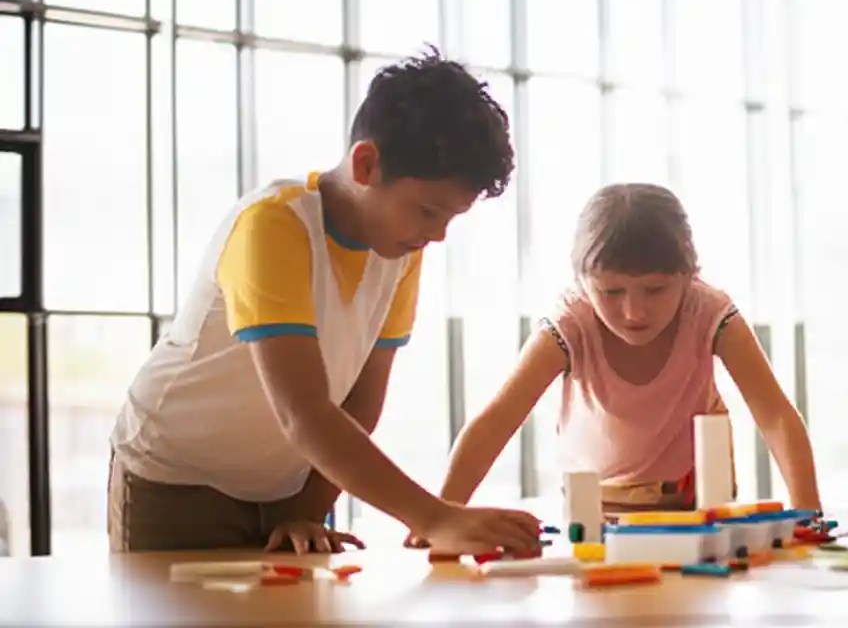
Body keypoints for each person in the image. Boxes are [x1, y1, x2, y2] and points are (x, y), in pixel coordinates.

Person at [108, 49, 541, 554]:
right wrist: (434, 517)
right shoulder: (273, 225)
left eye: (450, 218)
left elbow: (361, 402)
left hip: (287, 485)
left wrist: (307, 510)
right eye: (427, 211)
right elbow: (306, 412)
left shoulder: (401, 247)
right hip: (176, 479)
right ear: (366, 164)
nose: (438, 235)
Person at [424, 183, 822, 523]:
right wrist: (439, 517)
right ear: (582, 281)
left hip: (695, 503)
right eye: (611, 292)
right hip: (595, 509)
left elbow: (775, 415)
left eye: (655, 290)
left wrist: (809, 515)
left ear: (689, 275)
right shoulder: (570, 324)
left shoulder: (710, 313)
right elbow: (497, 421)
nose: (634, 312)